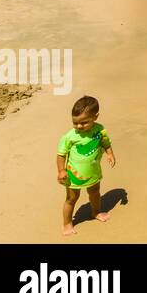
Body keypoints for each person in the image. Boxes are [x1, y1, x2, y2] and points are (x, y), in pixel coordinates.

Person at [57, 95, 116, 235]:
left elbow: (105, 142)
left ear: (95, 117)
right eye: (75, 122)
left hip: (93, 171)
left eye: (84, 122)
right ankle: (67, 224)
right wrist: (61, 170)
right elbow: (61, 154)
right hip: (73, 175)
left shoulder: (100, 130)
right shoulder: (70, 136)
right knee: (71, 199)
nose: (79, 126)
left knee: (95, 193)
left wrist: (110, 153)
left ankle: (95, 212)